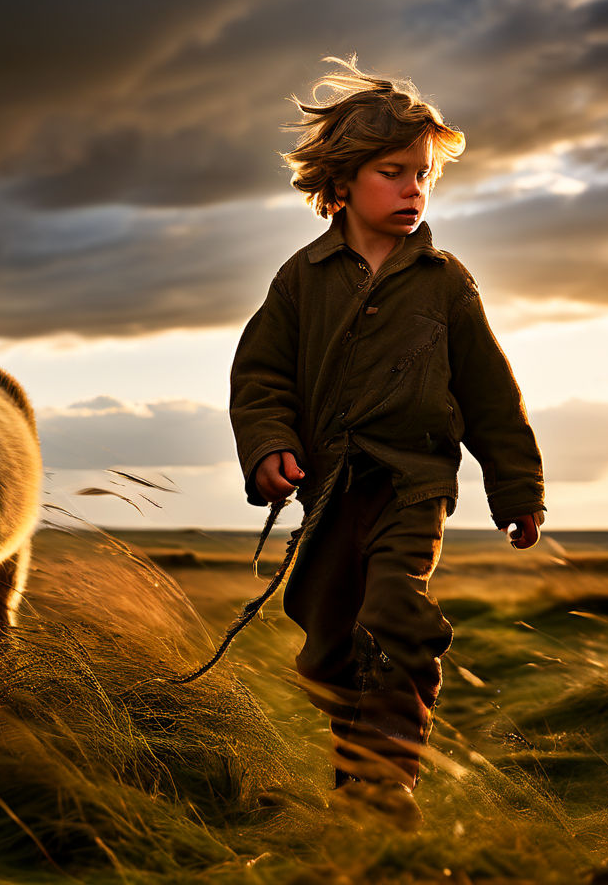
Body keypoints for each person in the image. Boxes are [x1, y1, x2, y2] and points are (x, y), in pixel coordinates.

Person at [229, 57, 545, 825]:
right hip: (332, 491)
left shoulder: (445, 283)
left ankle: (390, 779)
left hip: (413, 485)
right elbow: (261, 376)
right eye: (393, 172)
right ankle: (356, 772)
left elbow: (491, 394)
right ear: (341, 182)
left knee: (394, 614)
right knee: (331, 643)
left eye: (424, 176)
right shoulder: (300, 280)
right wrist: (269, 445)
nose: (413, 189)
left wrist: (517, 489)